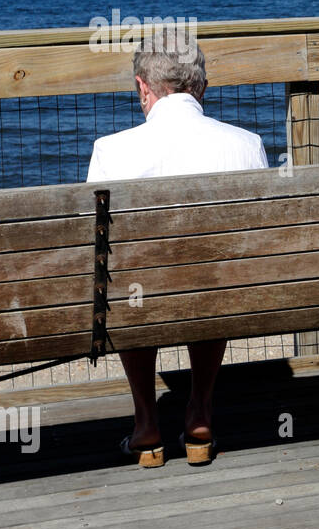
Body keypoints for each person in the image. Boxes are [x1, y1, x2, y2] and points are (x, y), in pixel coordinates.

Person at [87, 26, 268, 467]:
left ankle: (147, 423)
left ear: (143, 89)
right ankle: (200, 413)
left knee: (127, 277)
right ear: (200, 86)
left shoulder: (110, 152)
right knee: (215, 275)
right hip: (216, 297)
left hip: (139, 301)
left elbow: (95, 253)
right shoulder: (247, 146)